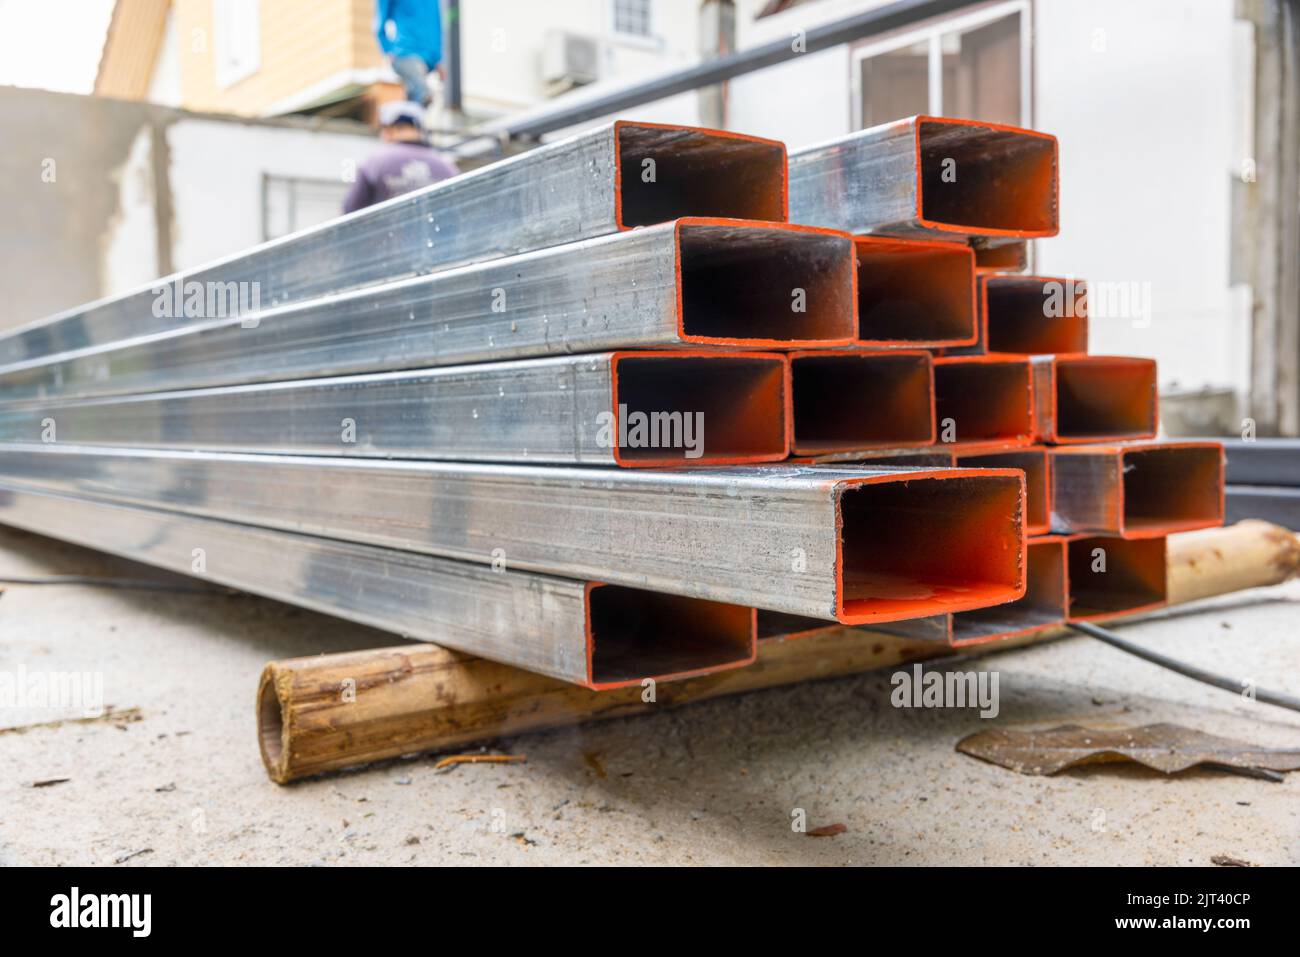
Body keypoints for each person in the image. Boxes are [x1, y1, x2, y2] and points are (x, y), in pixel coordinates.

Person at [342, 100, 459, 214]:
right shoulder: (446, 166)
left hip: (385, 233)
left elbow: (350, 210)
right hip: (435, 233)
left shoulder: (374, 163)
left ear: (389, 130)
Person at [375, 0, 443, 106]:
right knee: (424, 94)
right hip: (406, 54)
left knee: (417, 99)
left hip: (428, 59)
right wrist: (388, 49)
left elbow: (437, 23)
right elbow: (379, 24)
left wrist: (439, 59)